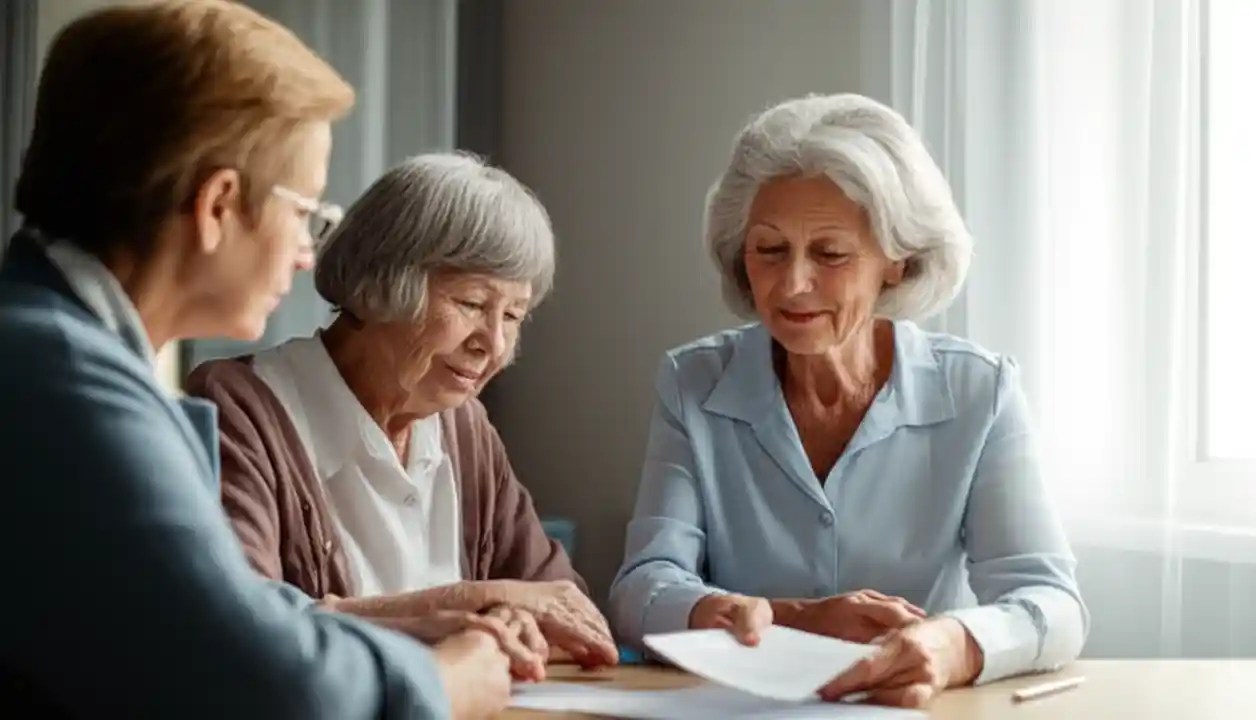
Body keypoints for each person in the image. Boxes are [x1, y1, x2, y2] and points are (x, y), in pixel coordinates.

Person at [0, 2, 538, 717]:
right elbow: (255, 680)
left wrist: (400, 629)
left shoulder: (54, 349)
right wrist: (442, 682)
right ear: (218, 205)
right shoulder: (64, 380)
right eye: (303, 211)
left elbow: (223, 614)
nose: (309, 251)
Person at [609, 93, 1088, 708]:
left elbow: (1052, 602)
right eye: (770, 250)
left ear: (896, 260)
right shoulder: (693, 382)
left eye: (830, 254)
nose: (792, 284)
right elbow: (641, 588)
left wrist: (950, 644)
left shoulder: (979, 391)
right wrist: (793, 618)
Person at [186, 152, 618, 669]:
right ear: (384, 284)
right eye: (473, 305)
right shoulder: (238, 407)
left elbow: (564, 609)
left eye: (514, 315)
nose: (493, 343)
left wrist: (511, 621)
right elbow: (238, 626)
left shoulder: (465, 427)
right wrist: (463, 601)